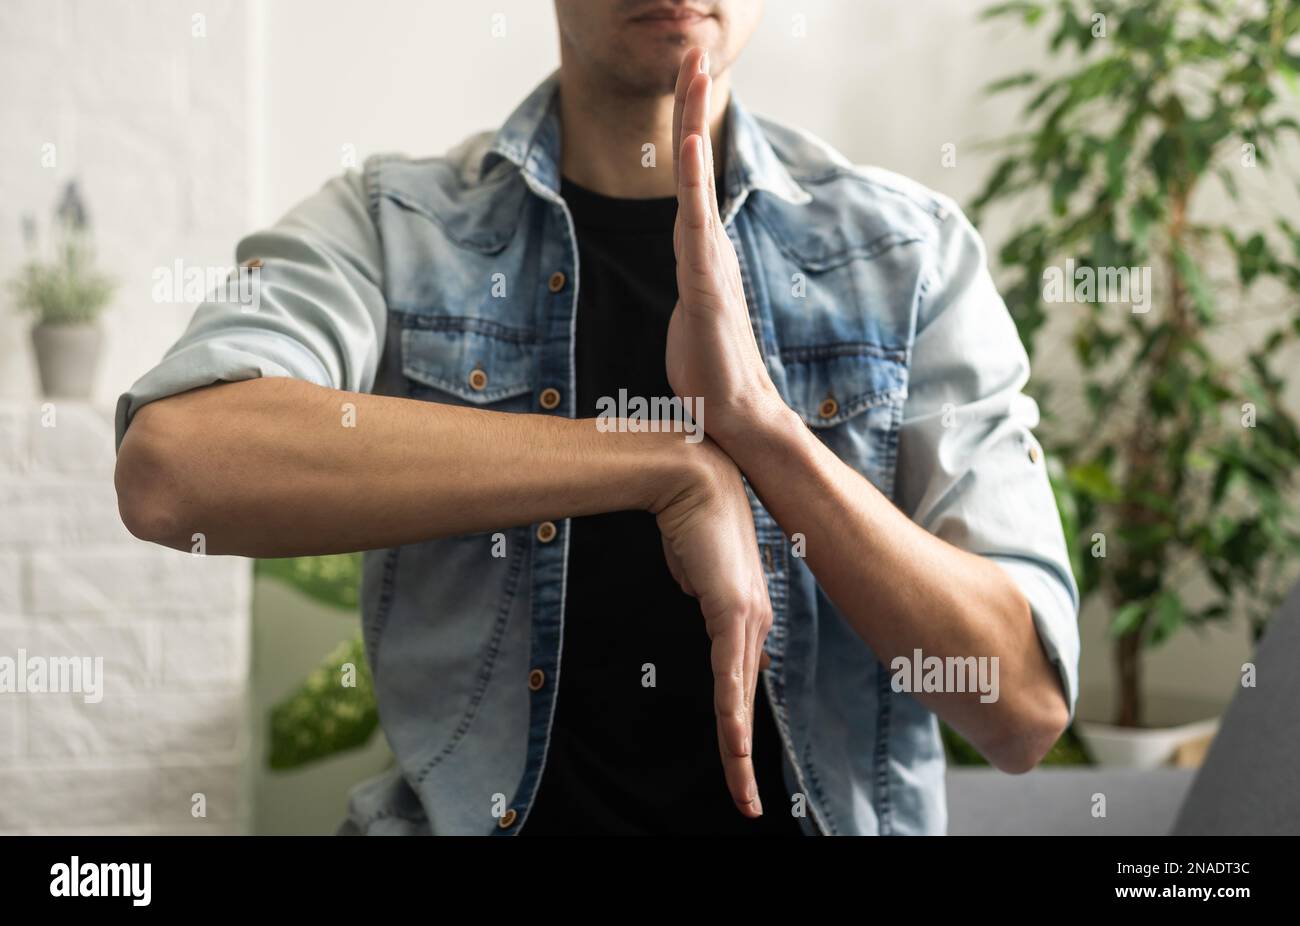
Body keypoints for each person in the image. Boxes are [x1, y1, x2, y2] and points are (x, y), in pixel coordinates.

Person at [113, 0, 1080, 836]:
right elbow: (173, 467)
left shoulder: (908, 255)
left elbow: (1021, 706)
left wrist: (762, 433)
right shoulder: (393, 227)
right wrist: (662, 462)